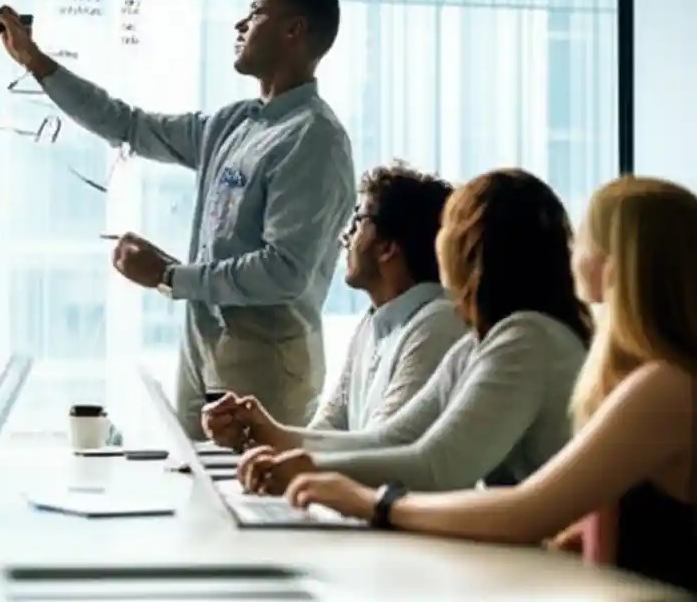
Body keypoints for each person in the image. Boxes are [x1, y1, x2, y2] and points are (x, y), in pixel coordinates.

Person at [278, 176, 696, 594]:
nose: (573, 247)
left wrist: (375, 503)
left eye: (588, 235)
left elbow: (526, 509)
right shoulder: (643, 377)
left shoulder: (660, 386)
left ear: (620, 260)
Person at [0, 0, 356, 436]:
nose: (240, 24)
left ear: (293, 30)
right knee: (192, 474)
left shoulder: (314, 139)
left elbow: (284, 272)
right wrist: (35, 61)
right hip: (201, 350)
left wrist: (168, 276)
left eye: (256, 12)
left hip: (266, 363)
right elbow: (128, 125)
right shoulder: (233, 123)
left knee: (252, 480)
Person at [206, 169, 593, 491]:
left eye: (452, 229)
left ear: (476, 247)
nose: (440, 241)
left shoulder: (526, 339)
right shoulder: (484, 344)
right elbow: (392, 439)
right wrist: (271, 436)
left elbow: (437, 467)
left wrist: (310, 470)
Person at [309, 163, 465, 431]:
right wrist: (255, 434)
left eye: (358, 222)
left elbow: (384, 441)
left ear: (387, 247)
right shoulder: (373, 320)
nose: (345, 237)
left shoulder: (438, 325)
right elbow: (330, 425)